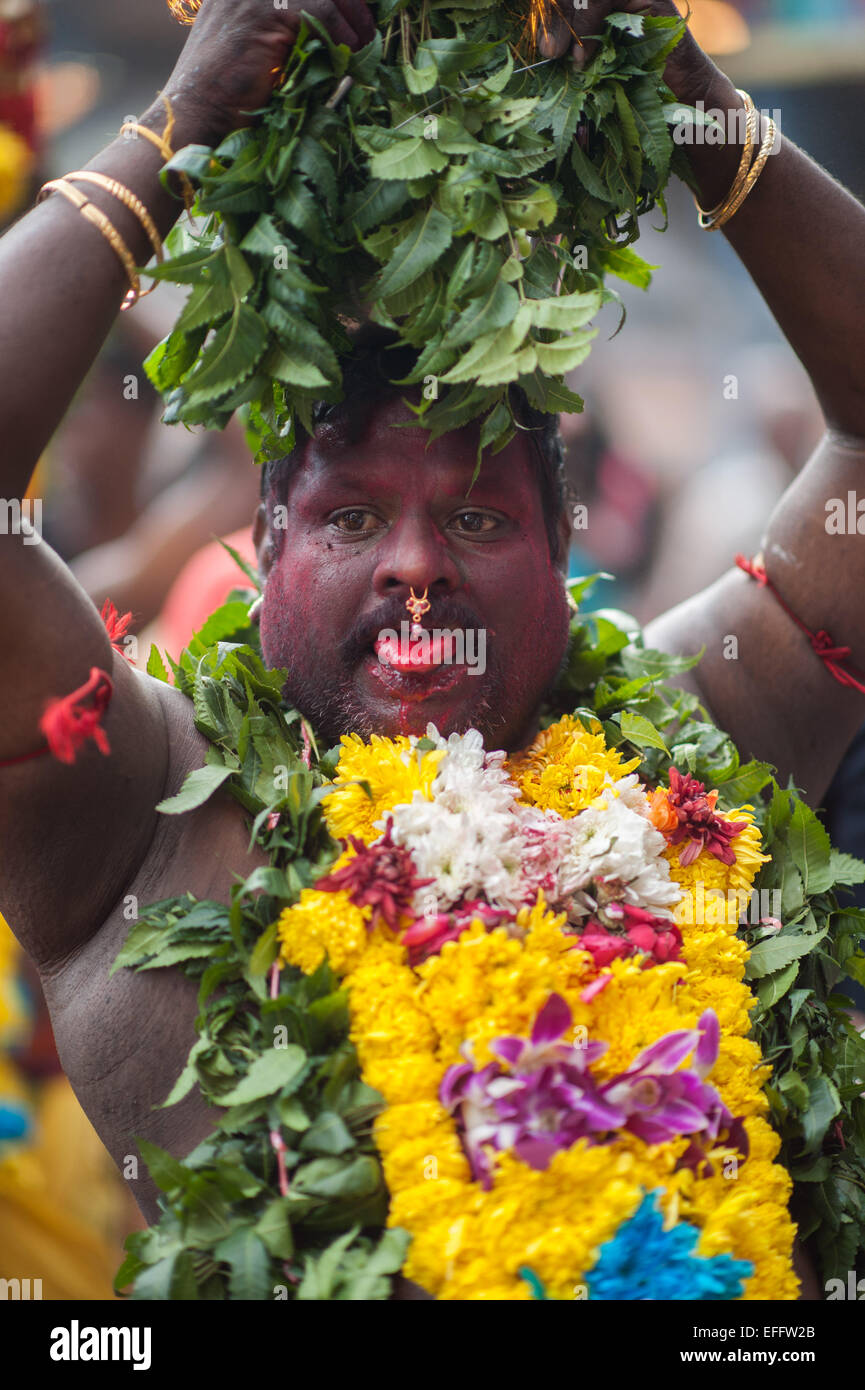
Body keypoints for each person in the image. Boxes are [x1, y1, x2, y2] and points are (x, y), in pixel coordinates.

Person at [1, 0, 864, 1266]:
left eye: (473, 516)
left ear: (566, 551)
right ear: (265, 542)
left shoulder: (709, 734)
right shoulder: (147, 811)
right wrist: (176, 129)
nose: (414, 566)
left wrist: (677, 88)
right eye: (351, 519)